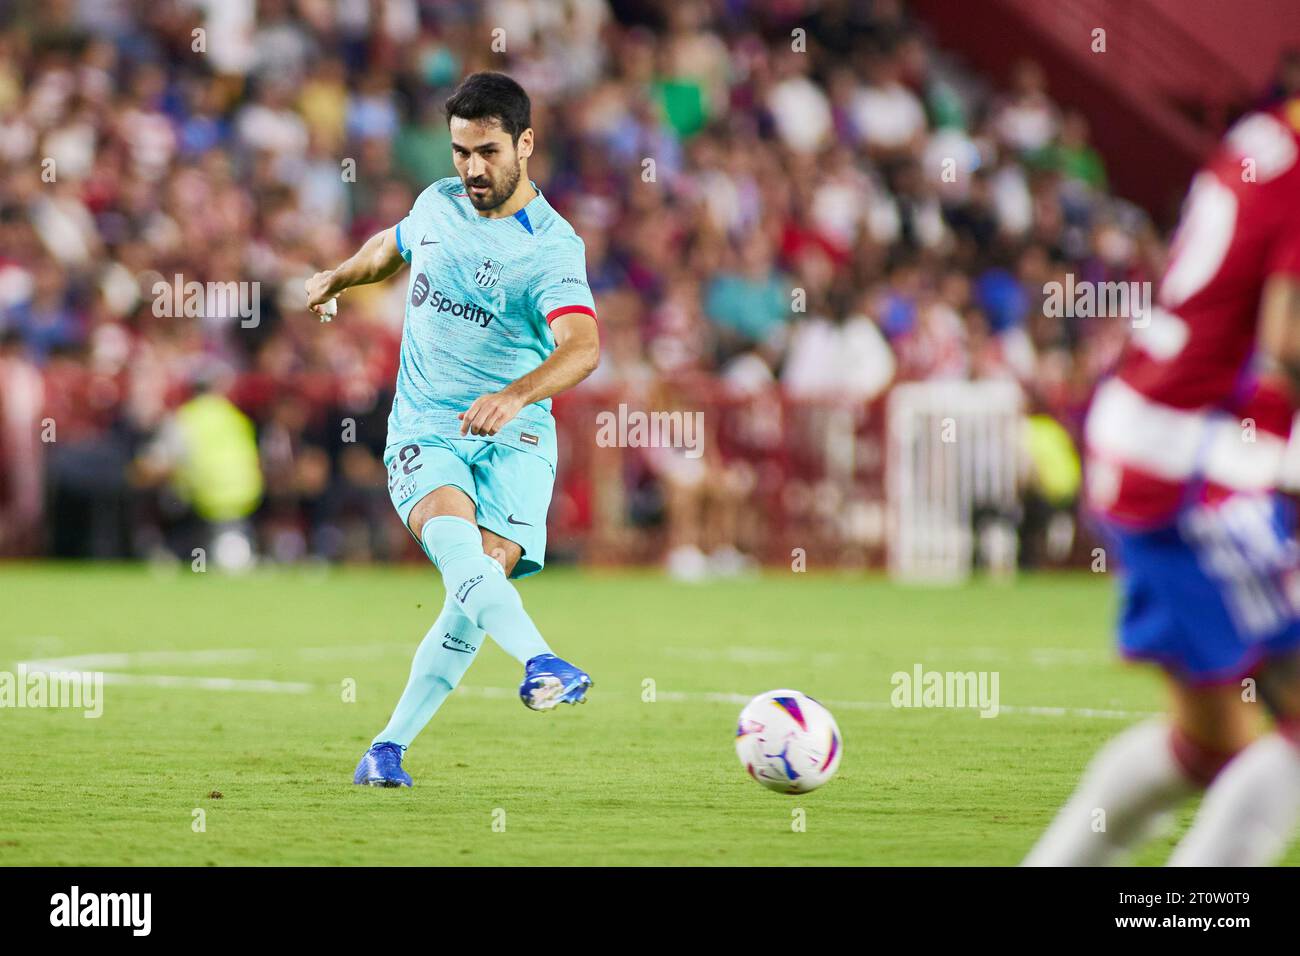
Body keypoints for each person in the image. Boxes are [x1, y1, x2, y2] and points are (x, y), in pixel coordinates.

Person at [305, 72, 601, 788]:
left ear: (526, 145)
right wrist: (340, 277)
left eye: (488, 151)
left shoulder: (552, 248)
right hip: (425, 429)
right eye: (460, 151)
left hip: (517, 437)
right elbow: (391, 246)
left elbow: (583, 347)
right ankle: (541, 660)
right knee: (456, 547)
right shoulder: (436, 204)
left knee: (474, 591)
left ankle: (386, 750)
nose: (471, 168)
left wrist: (515, 394)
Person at [1025, 96, 1300, 865]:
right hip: (1198, 463)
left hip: (1160, 438)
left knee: (1211, 740)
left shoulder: (1266, 136)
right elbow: (1290, 340)